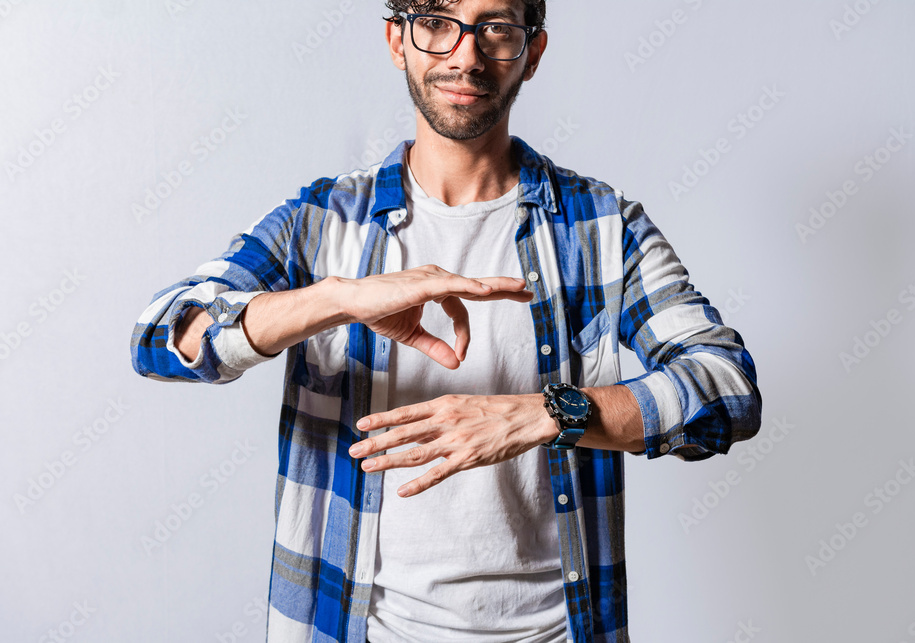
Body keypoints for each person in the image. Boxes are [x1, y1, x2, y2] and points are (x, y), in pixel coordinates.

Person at [130, 0, 762, 641]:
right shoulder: (322, 223)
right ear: (396, 39)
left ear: (532, 52)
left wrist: (546, 413)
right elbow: (162, 337)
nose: (465, 55)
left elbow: (727, 391)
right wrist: (339, 298)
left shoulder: (604, 227)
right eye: (436, 22)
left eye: (496, 28)